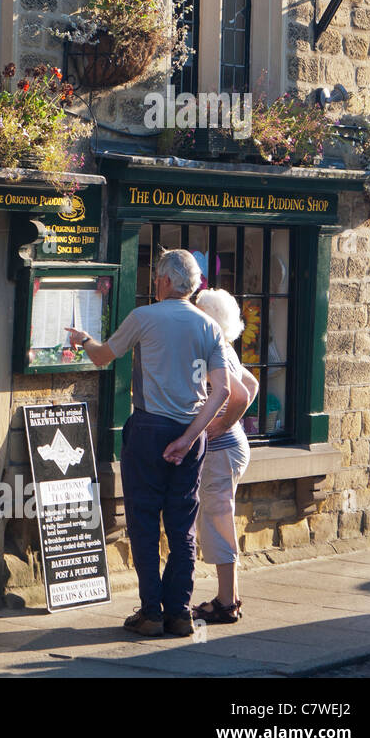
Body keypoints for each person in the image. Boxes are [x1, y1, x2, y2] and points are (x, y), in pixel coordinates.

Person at [66, 249, 230, 637]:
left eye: (156, 277)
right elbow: (221, 391)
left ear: (166, 282)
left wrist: (84, 339)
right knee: (182, 527)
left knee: (142, 522)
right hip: (190, 434)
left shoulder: (144, 317)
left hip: (148, 430)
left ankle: (151, 612)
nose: (154, 282)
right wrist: (190, 438)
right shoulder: (210, 327)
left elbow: (103, 357)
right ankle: (180, 612)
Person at [191, 288, 258, 623]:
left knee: (217, 524)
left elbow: (242, 393)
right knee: (220, 522)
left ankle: (225, 603)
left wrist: (220, 424)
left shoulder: (212, 349)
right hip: (231, 448)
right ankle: (229, 597)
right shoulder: (225, 348)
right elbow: (253, 385)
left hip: (221, 450)